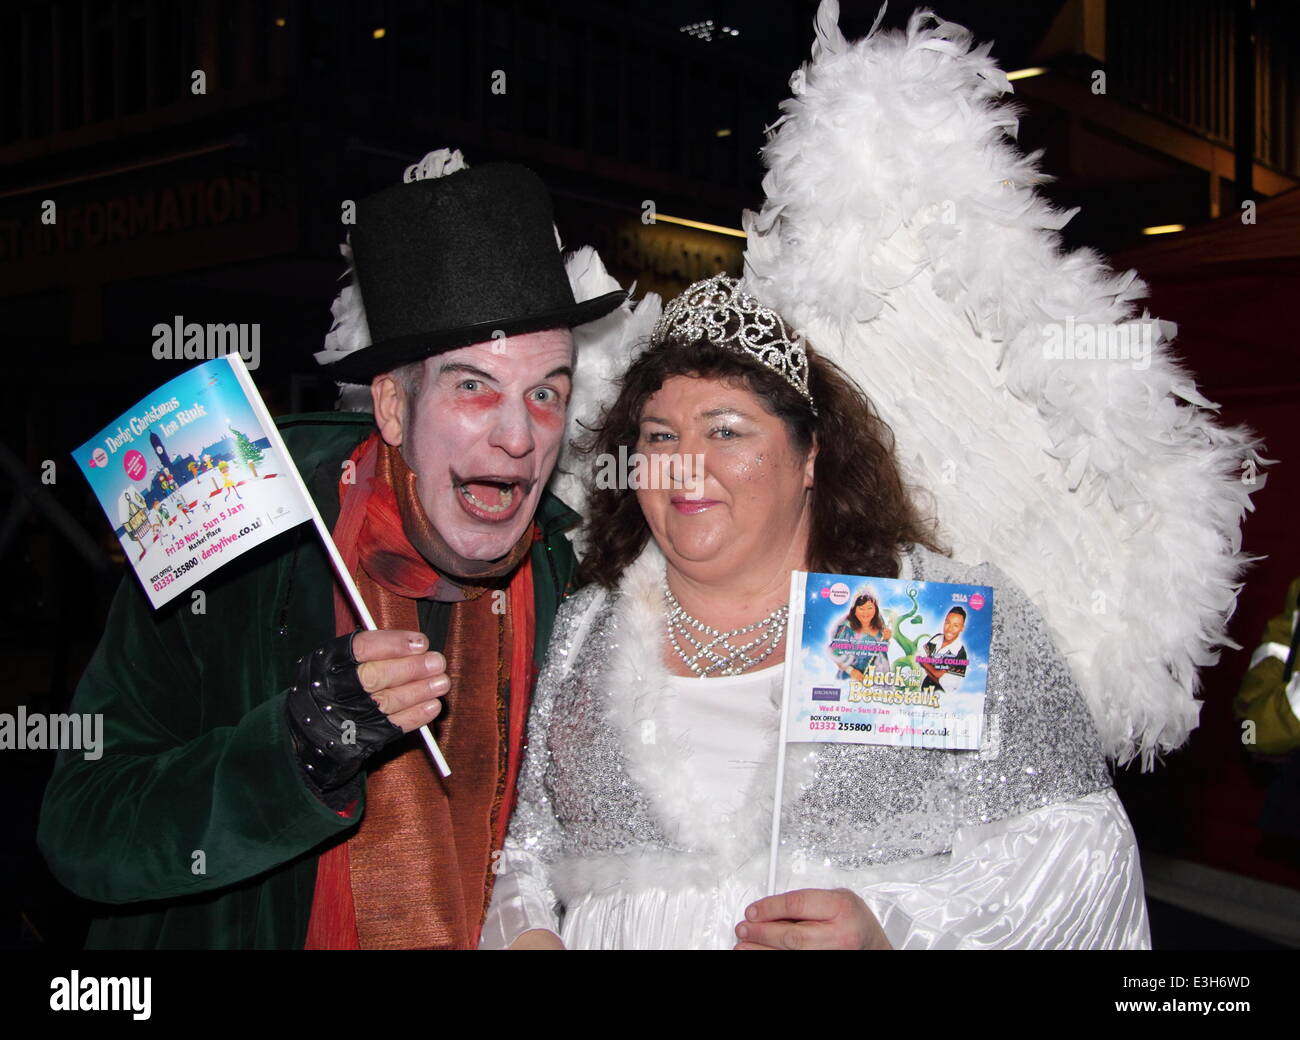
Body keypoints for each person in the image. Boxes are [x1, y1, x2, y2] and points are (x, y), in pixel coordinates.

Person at [38, 161, 625, 949]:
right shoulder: (238, 543)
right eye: (474, 388)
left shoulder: (570, 582)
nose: (518, 438)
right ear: (392, 404)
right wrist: (296, 749)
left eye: (545, 393)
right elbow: (81, 830)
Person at [480, 273, 1149, 950]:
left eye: (726, 431)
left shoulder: (923, 618)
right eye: (658, 438)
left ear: (809, 459)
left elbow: (1081, 862)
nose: (684, 466)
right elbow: (519, 849)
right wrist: (524, 932)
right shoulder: (584, 632)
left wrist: (894, 934)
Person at [829, 590, 892, 681]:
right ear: (854, 610)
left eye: (870, 608)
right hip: (852, 681)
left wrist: (886, 638)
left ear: (875, 609)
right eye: (861, 609)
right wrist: (851, 671)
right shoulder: (846, 627)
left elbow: (882, 646)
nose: (866, 613)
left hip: (880, 678)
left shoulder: (879, 621)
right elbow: (833, 652)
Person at [918, 607, 968, 693]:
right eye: (948, 623)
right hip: (923, 691)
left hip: (939, 697)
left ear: (962, 628)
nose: (949, 629)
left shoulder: (960, 654)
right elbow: (920, 656)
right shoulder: (937, 638)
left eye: (955, 625)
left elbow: (946, 686)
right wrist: (933, 672)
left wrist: (925, 664)